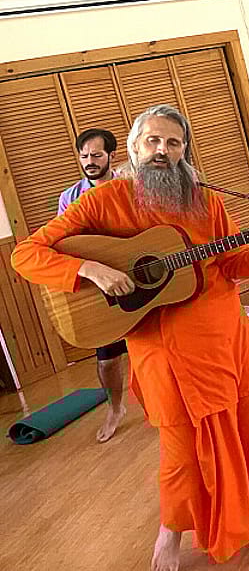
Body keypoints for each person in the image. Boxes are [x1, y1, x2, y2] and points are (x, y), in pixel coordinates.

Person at [12, 105, 249, 569]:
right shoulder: (104, 201)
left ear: (184, 150)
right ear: (135, 147)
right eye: (153, 142)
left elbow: (227, 263)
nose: (163, 151)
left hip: (223, 334)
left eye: (173, 143)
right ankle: (170, 533)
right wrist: (89, 268)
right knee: (179, 446)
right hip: (158, 345)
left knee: (248, 430)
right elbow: (26, 253)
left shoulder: (205, 200)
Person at [57, 127, 129, 443]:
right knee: (108, 358)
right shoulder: (70, 198)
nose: (89, 161)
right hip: (102, 284)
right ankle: (115, 407)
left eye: (96, 155)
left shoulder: (130, 185)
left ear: (112, 156)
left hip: (140, 272)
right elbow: (65, 244)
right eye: (84, 156)